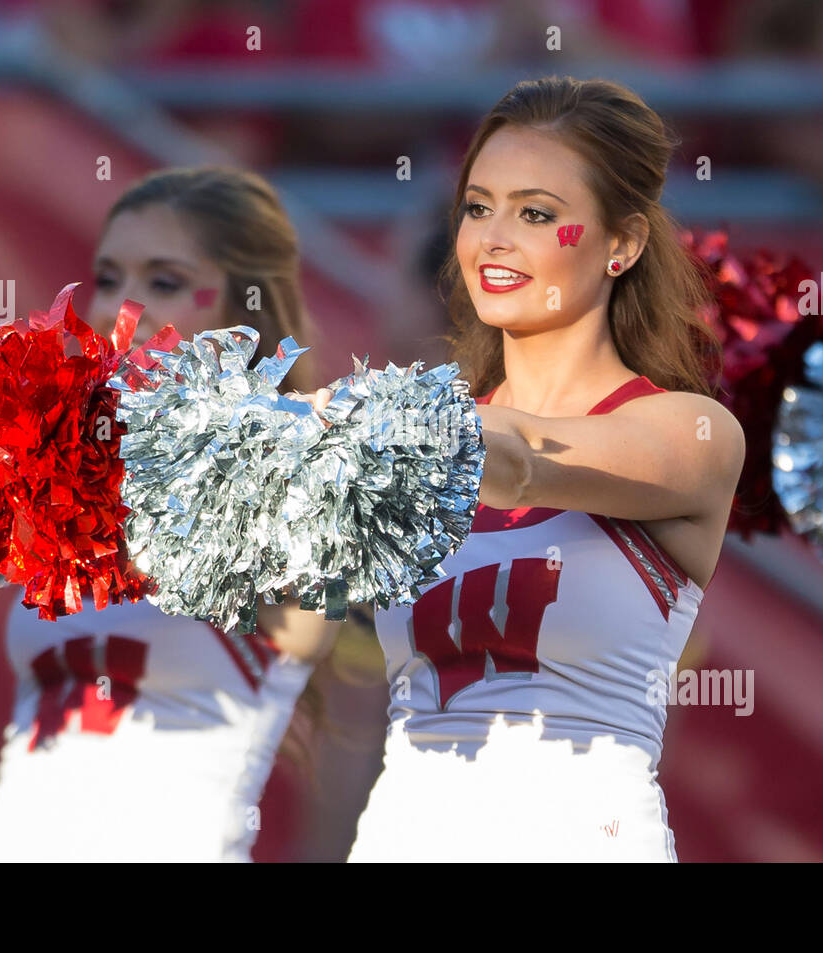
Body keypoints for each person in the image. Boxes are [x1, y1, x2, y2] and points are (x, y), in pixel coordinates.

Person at [345, 76, 744, 861]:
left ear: (622, 243)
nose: (493, 238)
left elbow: (519, 463)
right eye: (477, 206)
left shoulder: (691, 435)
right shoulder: (403, 439)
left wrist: (335, 428)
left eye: (536, 213)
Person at [0, 167, 344, 862]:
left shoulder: (294, 475)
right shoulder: (66, 479)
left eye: (164, 283)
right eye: (109, 278)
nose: (121, 309)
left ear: (245, 313)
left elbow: (305, 616)